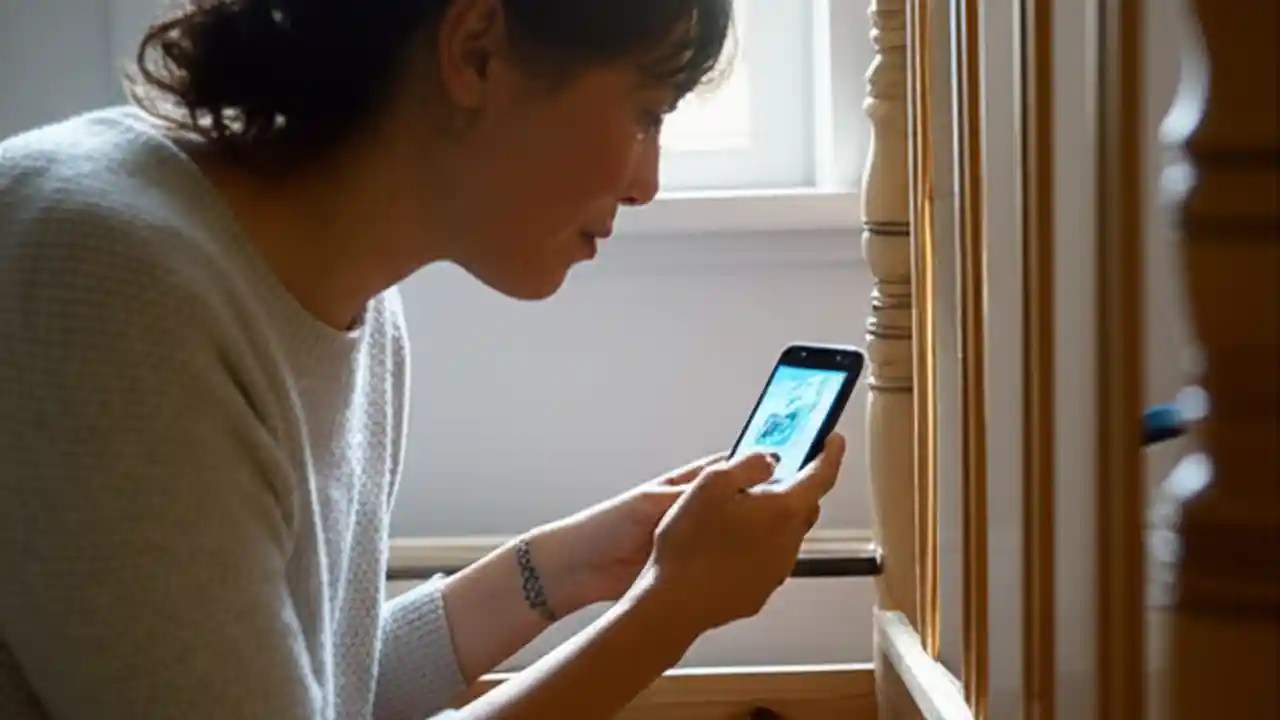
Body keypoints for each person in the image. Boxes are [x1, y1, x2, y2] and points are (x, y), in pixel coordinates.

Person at [0, 0, 846, 717]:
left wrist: (573, 565)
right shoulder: (107, 277)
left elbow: (325, 688)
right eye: (647, 112)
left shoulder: (357, 307)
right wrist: (669, 614)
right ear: (477, 51)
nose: (646, 182)